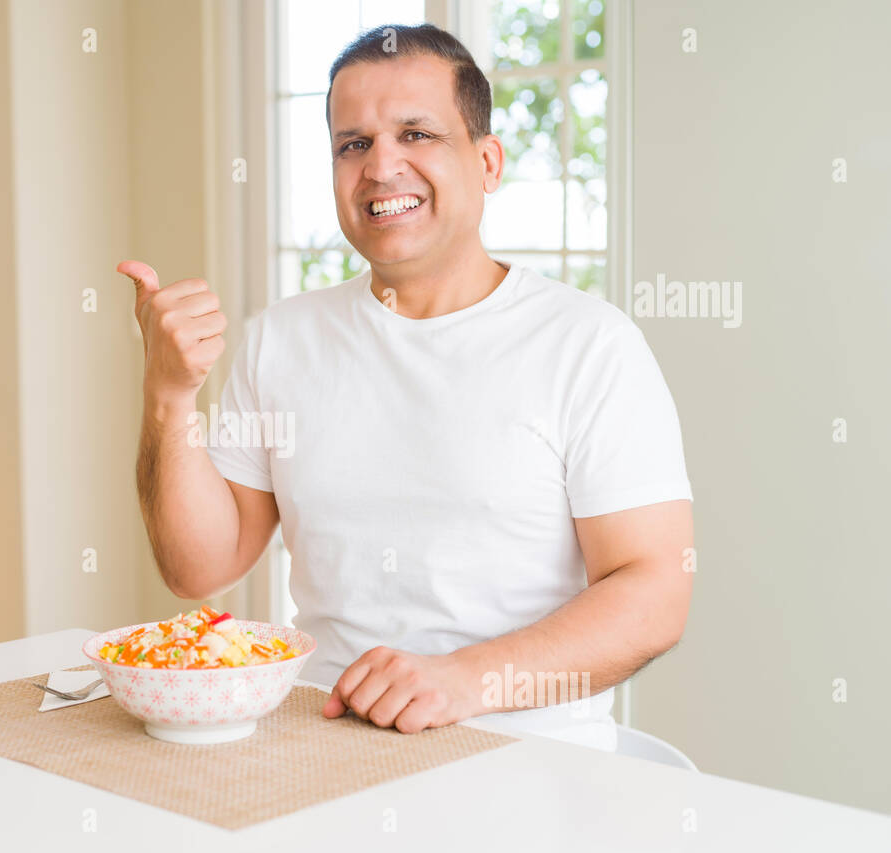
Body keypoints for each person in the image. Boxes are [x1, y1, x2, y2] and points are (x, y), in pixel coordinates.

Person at [116, 23, 693, 750]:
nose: (381, 165)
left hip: (531, 764)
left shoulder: (590, 346)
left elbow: (656, 592)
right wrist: (169, 398)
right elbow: (197, 565)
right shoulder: (282, 340)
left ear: (487, 162)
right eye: (352, 143)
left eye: (416, 134)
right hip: (318, 745)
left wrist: (463, 679)